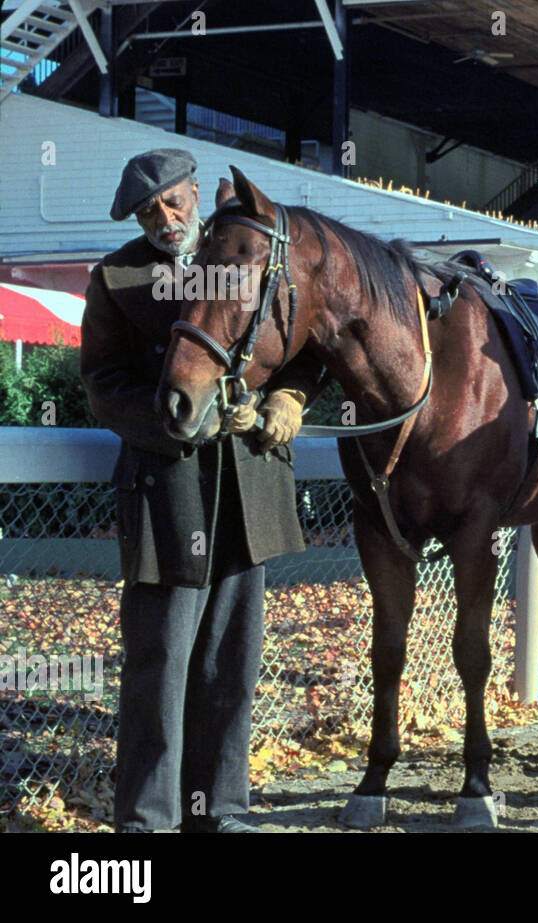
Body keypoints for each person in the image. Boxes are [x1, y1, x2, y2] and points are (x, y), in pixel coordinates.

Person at [81, 148, 324, 833]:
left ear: (195, 192)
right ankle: (148, 822)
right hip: (168, 491)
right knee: (160, 665)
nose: (164, 217)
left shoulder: (245, 254)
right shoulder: (118, 277)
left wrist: (291, 400)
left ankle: (221, 810)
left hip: (247, 488)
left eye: (174, 200)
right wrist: (179, 424)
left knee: (232, 662)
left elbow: (307, 348)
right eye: (148, 209)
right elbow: (103, 382)